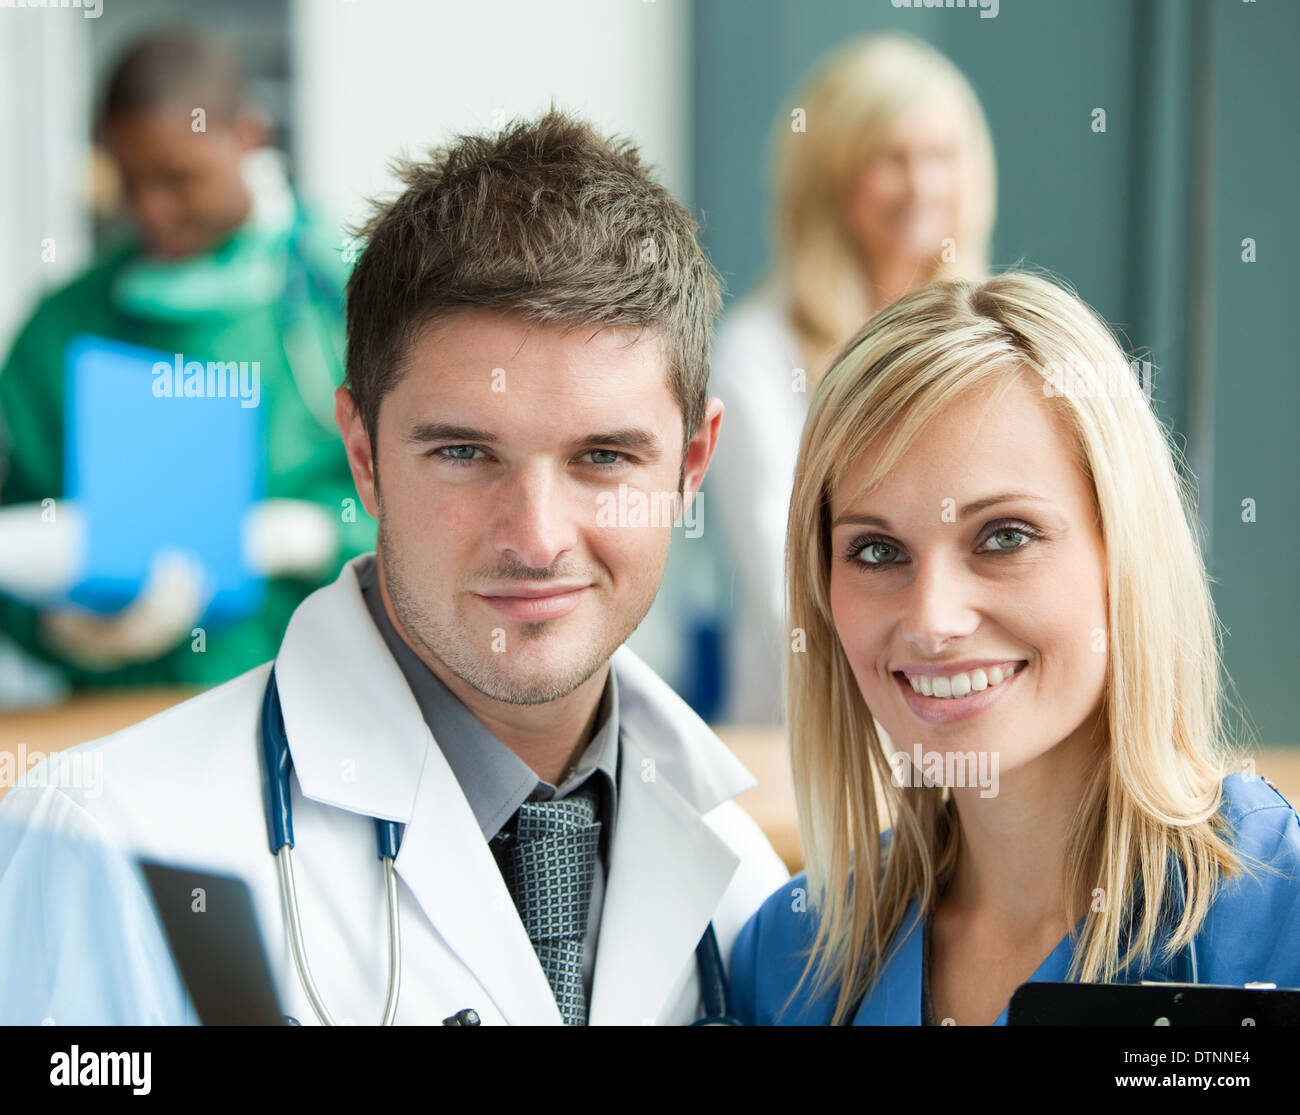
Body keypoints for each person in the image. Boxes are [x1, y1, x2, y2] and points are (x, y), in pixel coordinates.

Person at [0, 109, 789, 1025]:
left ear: (692, 467)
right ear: (363, 455)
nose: (536, 539)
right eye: (464, 453)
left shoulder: (744, 893)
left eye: (603, 457)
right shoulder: (109, 839)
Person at [729, 271, 1300, 1024]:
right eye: (875, 550)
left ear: (1123, 550)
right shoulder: (786, 962)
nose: (932, 619)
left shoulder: (1279, 917)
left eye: (1004, 536)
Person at [0, 30, 373, 691]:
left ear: (248, 138)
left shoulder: (348, 295)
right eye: (128, 179)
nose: (149, 209)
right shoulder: (62, 328)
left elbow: (435, 500)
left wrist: (316, 534)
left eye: (178, 178)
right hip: (120, 720)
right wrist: (60, 631)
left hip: (320, 696)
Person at [708, 32, 996, 724]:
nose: (923, 185)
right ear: (833, 178)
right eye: (891, 160)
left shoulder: (996, 342)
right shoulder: (756, 352)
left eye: (941, 157)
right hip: (810, 731)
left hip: (964, 714)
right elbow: (788, 586)